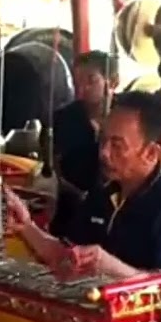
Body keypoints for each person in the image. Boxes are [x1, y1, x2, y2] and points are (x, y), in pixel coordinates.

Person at [6, 91, 161, 288]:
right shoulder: (104, 192)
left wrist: (110, 268)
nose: (104, 153)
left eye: (117, 145)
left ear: (150, 153)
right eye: (103, 140)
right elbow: (67, 256)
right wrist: (27, 226)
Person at [50, 51, 116, 236]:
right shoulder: (64, 117)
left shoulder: (126, 117)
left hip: (114, 208)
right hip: (71, 205)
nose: (83, 88)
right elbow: (54, 163)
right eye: (77, 82)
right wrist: (71, 190)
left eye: (91, 80)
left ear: (112, 81)